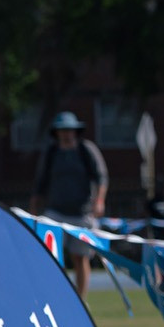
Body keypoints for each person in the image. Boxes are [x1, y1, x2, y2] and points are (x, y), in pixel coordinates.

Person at [29, 111, 108, 298]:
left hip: (81, 213)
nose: (66, 134)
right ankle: (59, 296)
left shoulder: (85, 150)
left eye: (70, 130)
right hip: (55, 212)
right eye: (62, 130)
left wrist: (99, 200)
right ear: (56, 133)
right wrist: (34, 205)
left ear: (75, 131)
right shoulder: (51, 153)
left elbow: (101, 177)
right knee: (51, 256)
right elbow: (40, 181)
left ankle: (81, 299)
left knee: (80, 258)